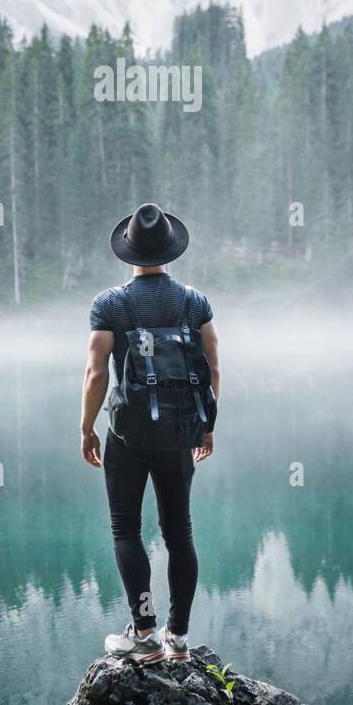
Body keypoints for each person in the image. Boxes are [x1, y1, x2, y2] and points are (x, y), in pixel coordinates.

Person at [80, 203, 220, 664]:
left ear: (128, 253)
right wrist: (205, 425)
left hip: (128, 434)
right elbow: (212, 365)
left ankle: (143, 632)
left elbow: (96, 373)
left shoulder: (111, 304)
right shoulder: (193, 302)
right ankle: (177, 639)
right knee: (180, 533)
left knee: (126, 529)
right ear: (170, 251)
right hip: (180, 432)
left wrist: (87, 428)